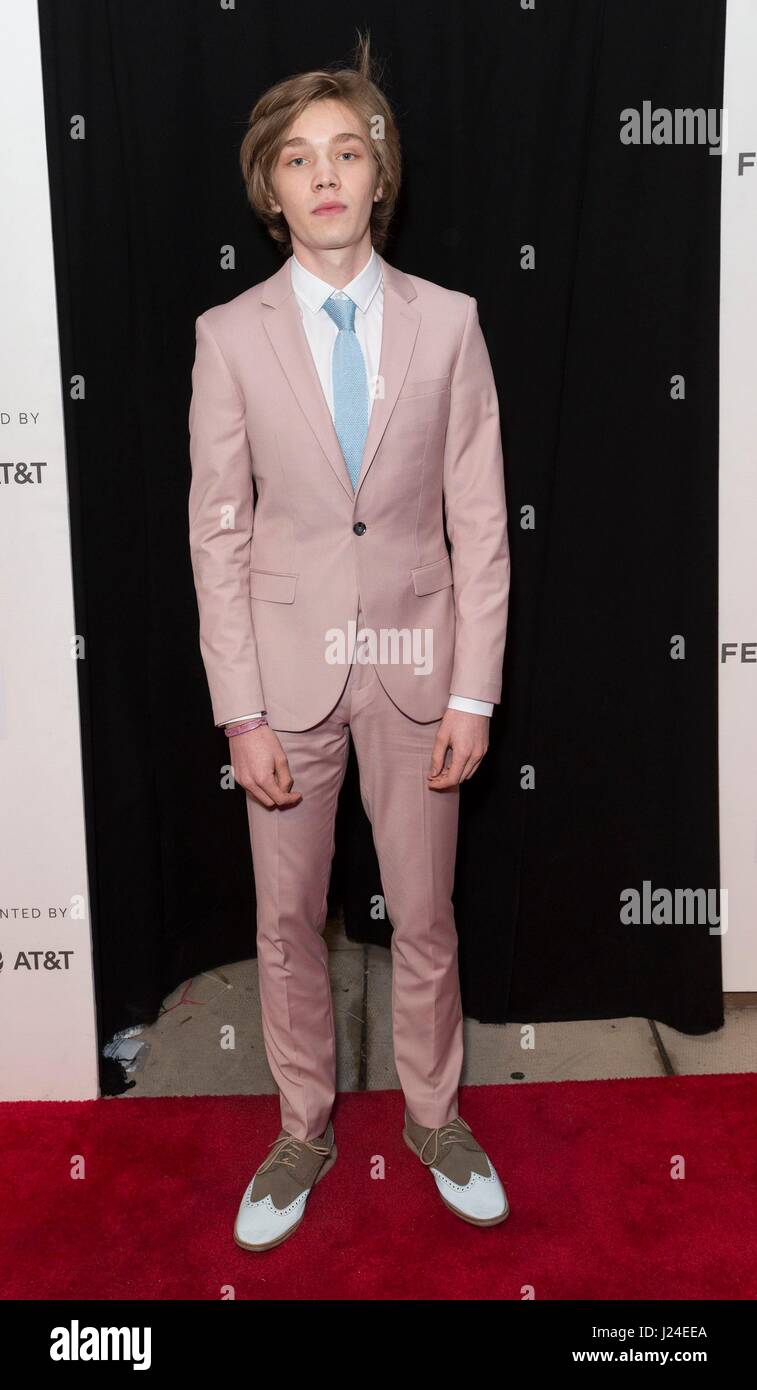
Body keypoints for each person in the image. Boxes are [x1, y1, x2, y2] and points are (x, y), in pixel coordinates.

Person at [188, 33, 511, 1252]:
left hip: (422, 669)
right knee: (287, 924)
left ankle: (436, 1117)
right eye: (295, 158)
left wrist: (475, 691)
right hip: (285, 678)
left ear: (380, 174)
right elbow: (217, 533)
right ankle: (302, 1125)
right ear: (268, 190)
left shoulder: (451, 325)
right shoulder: (227, 337)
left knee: (424, 917)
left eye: (346, 150)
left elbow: (479, 523)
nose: (324, 175)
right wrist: (242, 711)